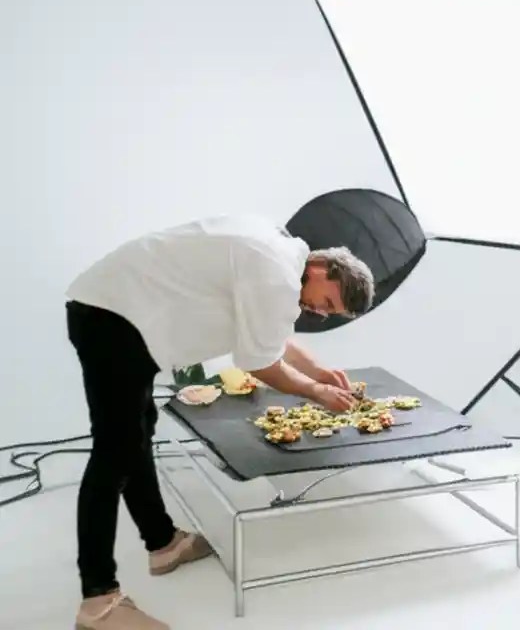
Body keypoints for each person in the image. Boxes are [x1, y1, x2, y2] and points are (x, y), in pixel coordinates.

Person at [64, 214, 375, 630]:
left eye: (329, 312)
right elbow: (260, 361)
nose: (320, 312)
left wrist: (319, 371)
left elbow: (269, 333)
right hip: (113, 317)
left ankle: (163, 544)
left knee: (136, 431)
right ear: (322, 269)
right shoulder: (278, 273)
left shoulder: (277, 253)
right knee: (115, 451)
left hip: (116, 314)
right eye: (328, 302)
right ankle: (98, 603)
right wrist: (314, 392)